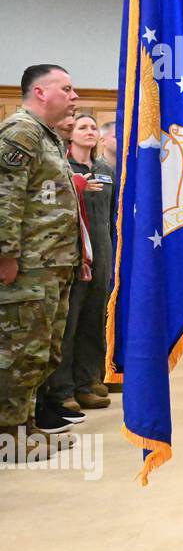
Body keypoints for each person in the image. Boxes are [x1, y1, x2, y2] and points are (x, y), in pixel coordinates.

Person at [0, 65, 82, 463]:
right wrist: (6, 255)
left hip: (51, 265)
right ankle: (8, 438)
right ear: (39, 92)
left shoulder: (46, 136)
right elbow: (6, 198)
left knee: (41, 353)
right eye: (66, 88)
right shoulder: (21, 133)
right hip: (26, 267)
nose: (74, 96)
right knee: (18, 353)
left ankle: (25, 427)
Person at [43, 113, 114, 413]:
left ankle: (88, 383)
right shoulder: (63, 168)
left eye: (93, 127)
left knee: (94, 320)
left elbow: (113, 215)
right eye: (83, 127)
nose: (89, 131)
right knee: (69, 323)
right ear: (70, 135)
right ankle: (63, 388)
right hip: (73, 255)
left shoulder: (104, 169)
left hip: (103, 251)